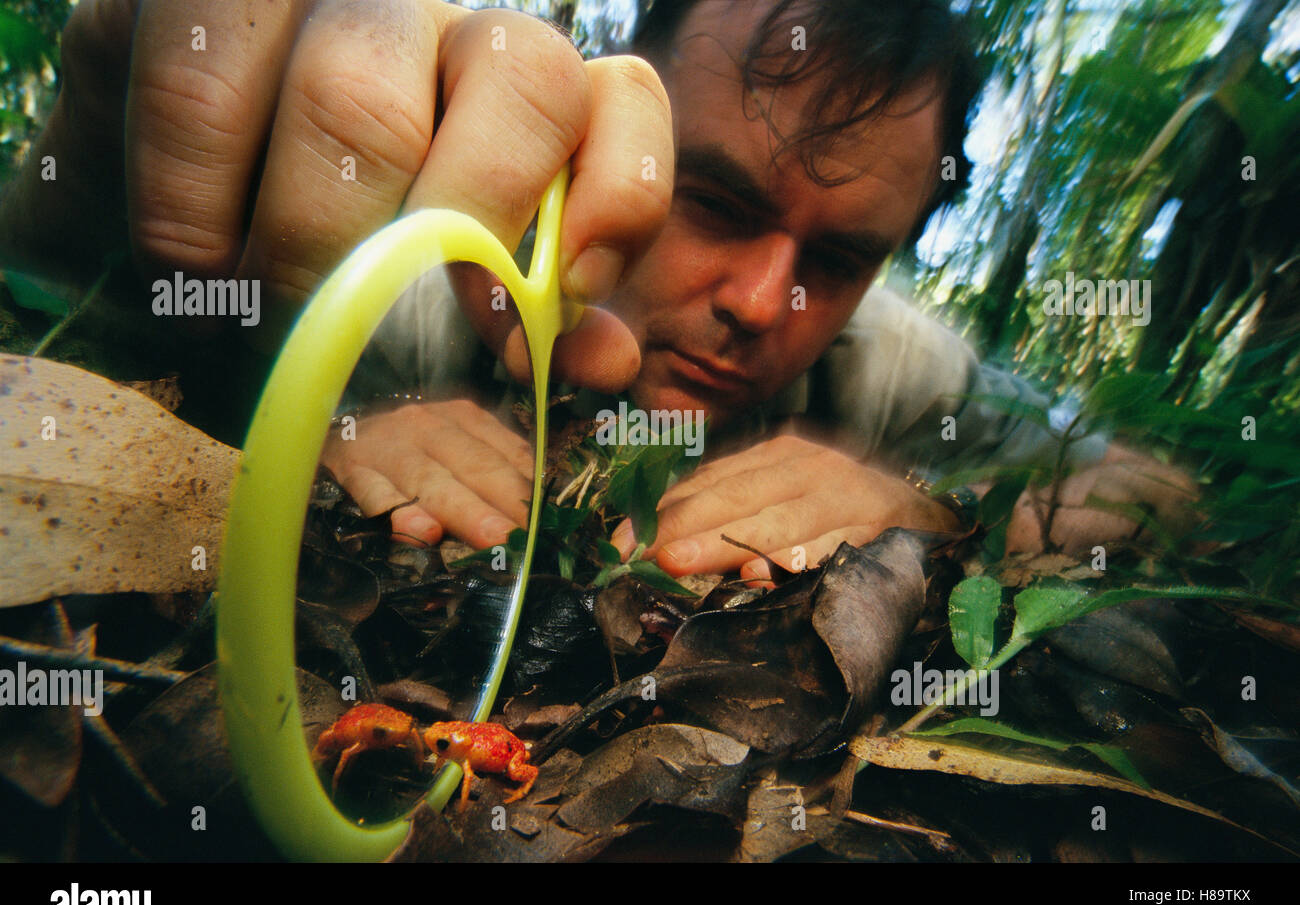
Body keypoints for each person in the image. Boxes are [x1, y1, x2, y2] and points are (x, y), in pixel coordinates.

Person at [0, 0, 1195, 583]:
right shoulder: (418, 258)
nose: (764, 300)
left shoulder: (885, 364)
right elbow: (72, 318)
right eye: (715, 203)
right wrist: (107, 166)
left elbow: (1147, 485)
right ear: (620, 110)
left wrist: (930, 505)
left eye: (836, 261)